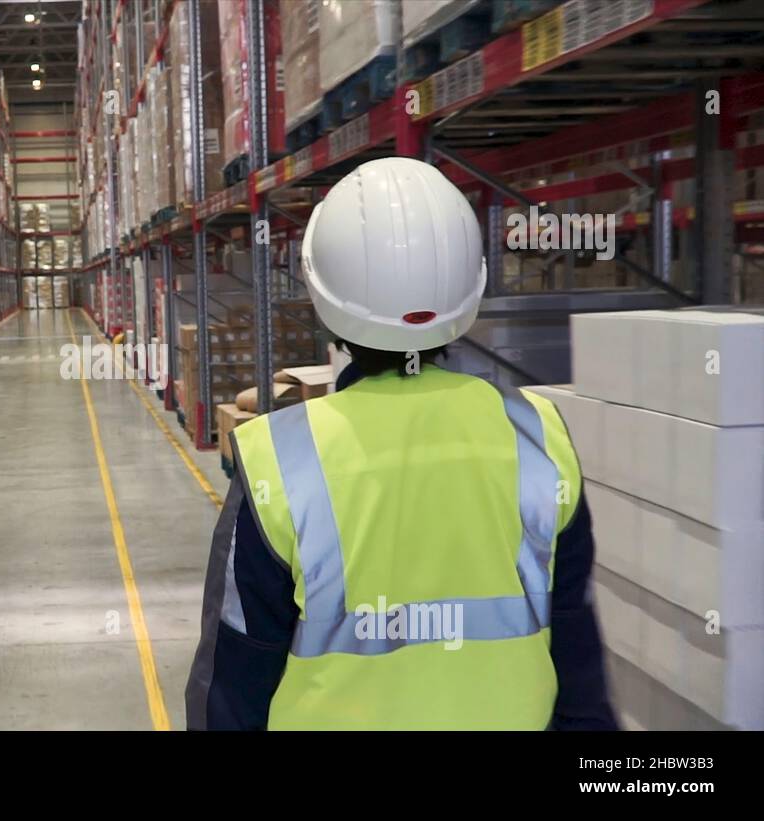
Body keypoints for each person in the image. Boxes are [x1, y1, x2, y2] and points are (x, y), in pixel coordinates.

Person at [185, 157, 617, 730]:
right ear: (469, 289)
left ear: (322, 295)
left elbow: (234, 681)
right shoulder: (536, 434)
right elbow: (578, 662)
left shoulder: (279, 459)